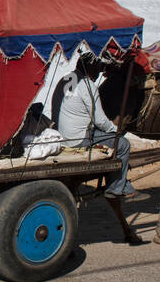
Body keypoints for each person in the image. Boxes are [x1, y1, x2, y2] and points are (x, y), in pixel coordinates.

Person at [57, 53, 148, 201]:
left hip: (61, 136)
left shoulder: (65, 79)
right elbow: (101, 121)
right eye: (98, 68)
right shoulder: (88, 86)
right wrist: (115, 131)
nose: (99, 72)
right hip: (79, 138)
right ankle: (118, 188)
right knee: (123, 144)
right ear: (91, 67)